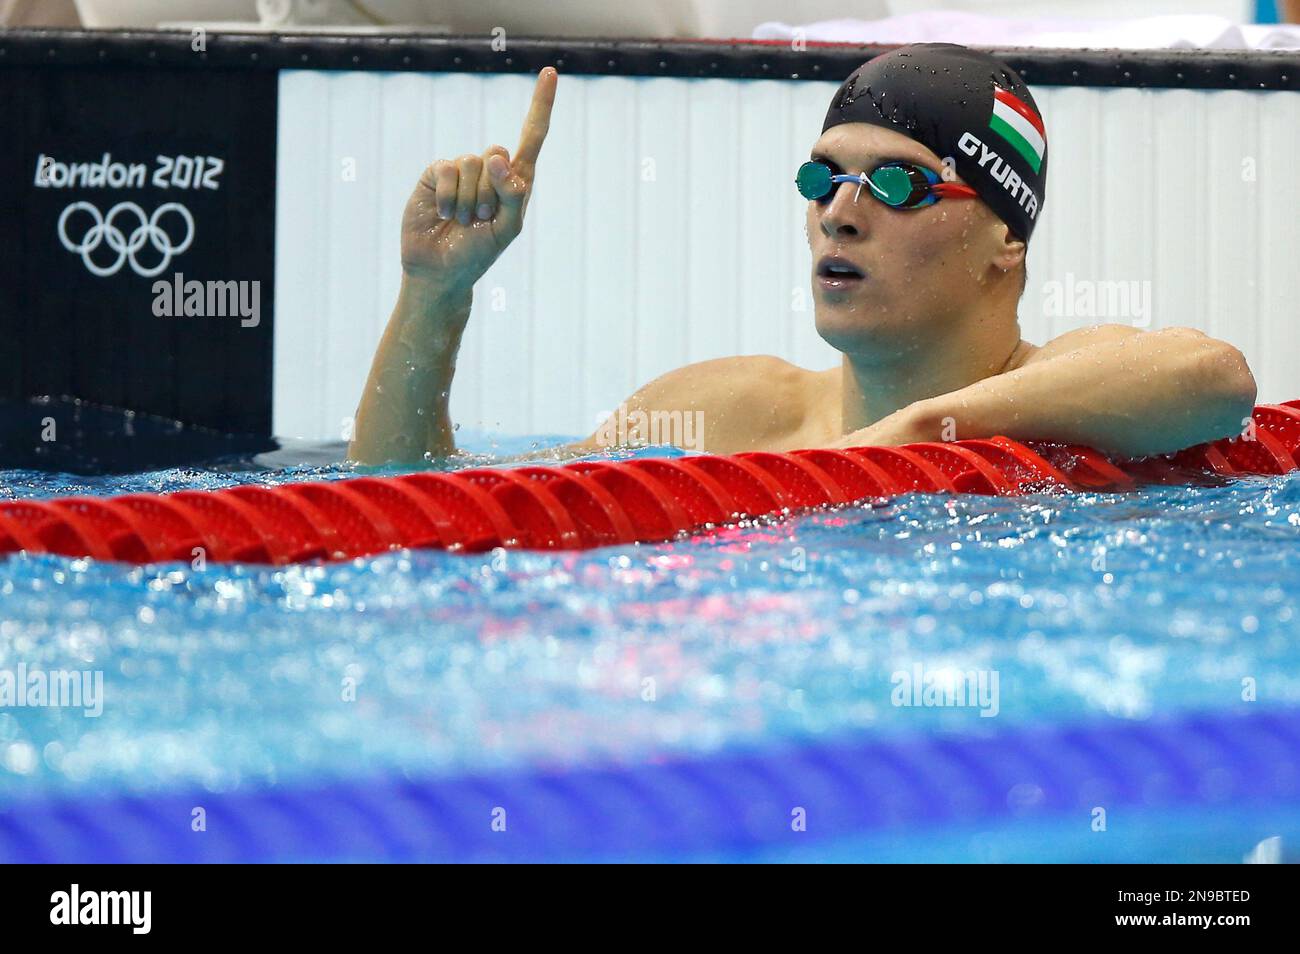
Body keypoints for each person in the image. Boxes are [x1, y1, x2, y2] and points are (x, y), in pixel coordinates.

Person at [348, 44, 1255, 466]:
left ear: (1005, 241)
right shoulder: (725, 413)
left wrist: (921, 429)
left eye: (897, 184)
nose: (839, 216)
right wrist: (436, 295)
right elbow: (418, 500)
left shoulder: (1068, 388)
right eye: (822, 179)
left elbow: (1215, 379)